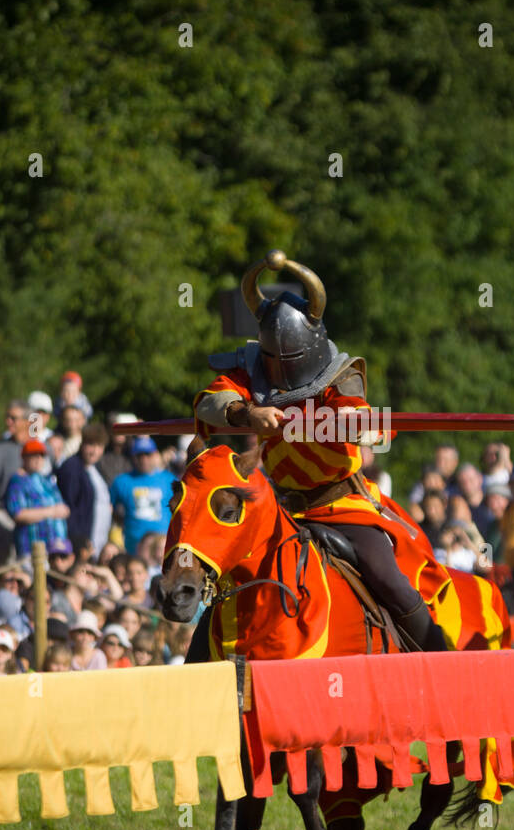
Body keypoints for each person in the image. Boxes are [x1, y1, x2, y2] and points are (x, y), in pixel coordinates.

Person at [191, 251, 454, 652]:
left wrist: (345, 423)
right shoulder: (252, 373)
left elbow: (365, 421)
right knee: (227, 580)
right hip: (278, 512)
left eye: (289, 358)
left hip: (341, 505)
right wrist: (246, 413)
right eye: (272, 358)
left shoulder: (340, 378)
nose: (279, 367)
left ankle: (440, 659)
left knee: (387, 579)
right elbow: (208, 401)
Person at [108, 436, 176, 555]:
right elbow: (109, 507)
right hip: (133, 546)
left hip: (162, 547)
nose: (144, 459)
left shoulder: (169, 480)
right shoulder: (122, 481)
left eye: (147, 454)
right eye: (139, 455)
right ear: (133, 457)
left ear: (155, 455)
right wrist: (121, 522)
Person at [54, 423, 112, 561]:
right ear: (82, 444)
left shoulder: (95, 468)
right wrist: (78, 542)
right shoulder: (72, 467)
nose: (94, 451)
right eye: (90, 445)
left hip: (97, 542)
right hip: (79, 543)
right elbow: (70, 507)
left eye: (99, 446)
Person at [5, 439, 69, 556]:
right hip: (31, 548)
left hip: (55, 550)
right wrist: (51, 511)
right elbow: (18, 514)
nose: (38, 459)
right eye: (34, 456)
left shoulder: (47, 480)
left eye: (41, 456)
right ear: (24, 458)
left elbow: (63, 508)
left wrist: (61, 511)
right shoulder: (17, 481)